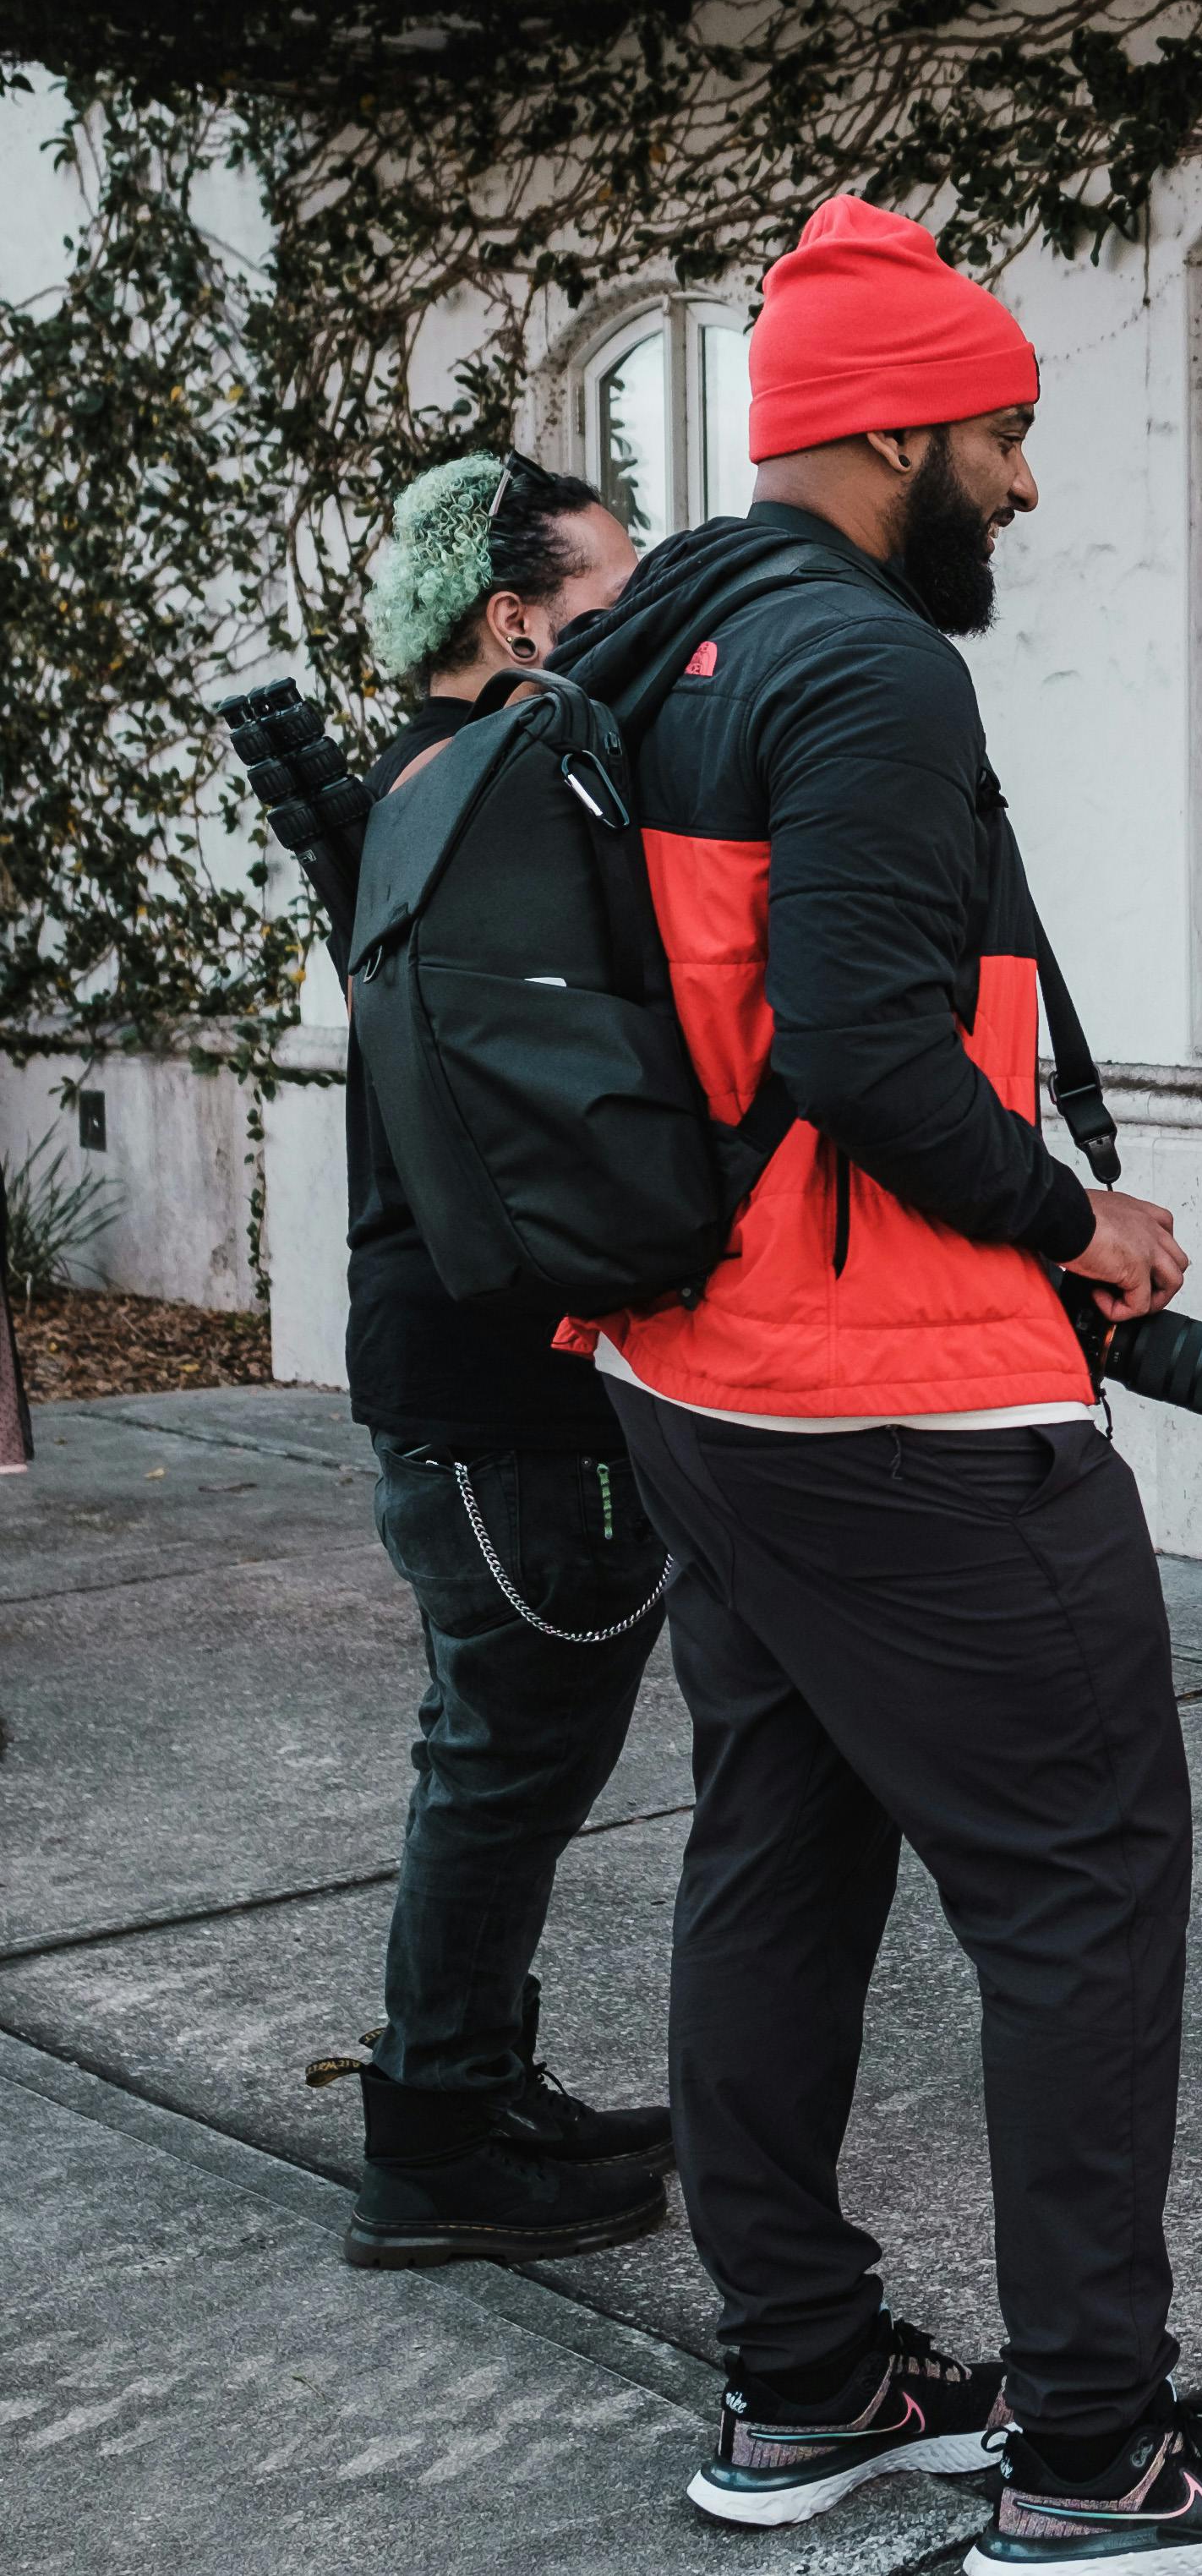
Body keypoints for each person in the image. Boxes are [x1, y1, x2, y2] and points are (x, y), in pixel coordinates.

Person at [550, 196, 1202, 2568]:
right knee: (1090, 1881)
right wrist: (1074, 1222)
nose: (1024, 481)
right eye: (1007, 431)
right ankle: (1102, 2455)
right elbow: (856, 1045)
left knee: (779, 1850)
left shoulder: (656, 633)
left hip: (695, 1373)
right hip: (893, 1385)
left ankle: (804, 2385)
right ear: (898, 421)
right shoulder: (875, 669)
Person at [332, 450, 680, 2271]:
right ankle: (441, 2143)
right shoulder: (493, 803)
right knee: (501, 1762)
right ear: (513, 618)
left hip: (459, 1376)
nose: (633, 634)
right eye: (608, 602)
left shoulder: (423, 793)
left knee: (497, 1757)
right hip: (497, 1393)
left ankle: (471, 2081)